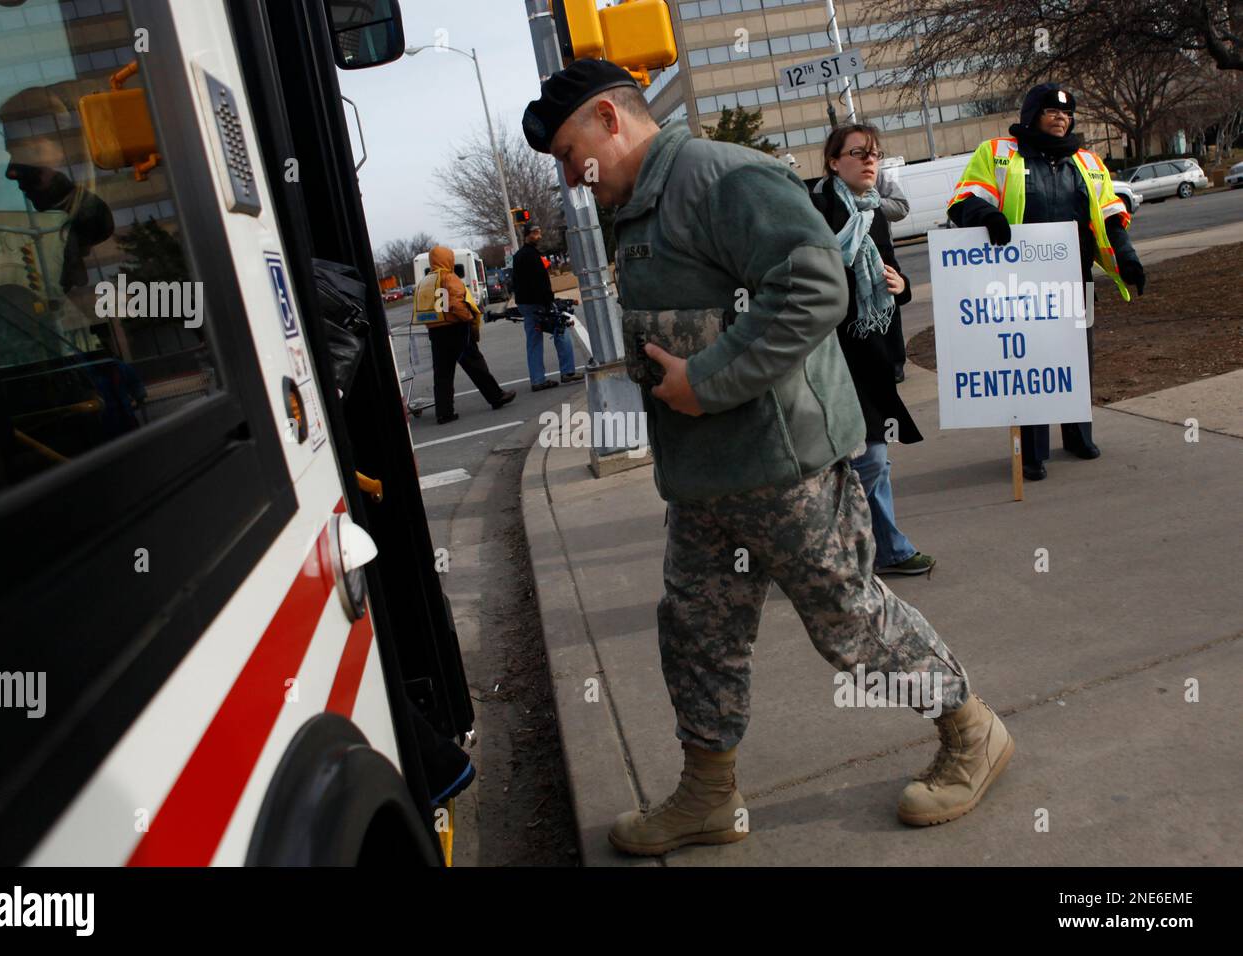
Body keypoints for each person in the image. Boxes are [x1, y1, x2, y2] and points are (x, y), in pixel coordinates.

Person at [523, 60, 1013, 857]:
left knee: (850, 623)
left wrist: (707, 379)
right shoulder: (635, 204)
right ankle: (709, 795)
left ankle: (971, 731)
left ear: (612, 120)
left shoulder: (723, 178)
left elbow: (817, 289)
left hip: (784, 468)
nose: (572, 177)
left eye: (573, 151)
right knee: (697, 633)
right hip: (704, 479)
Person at [947, 83, 1146, 480]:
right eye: (1053, 111)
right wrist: (986, 216)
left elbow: (1109, 212)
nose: (1062, 118)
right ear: (1032, 113)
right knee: (1031, 362)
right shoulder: (997, 154)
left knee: (1077, 357)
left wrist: (1126, 254)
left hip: (1075, 275)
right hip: (1020, 282)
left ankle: (1077, 435)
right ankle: (1032, 450)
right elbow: (964, 198)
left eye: (1068, 113)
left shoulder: (1087, 161)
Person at [809, 125, 935, 577]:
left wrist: (901, 288)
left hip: (876, 352)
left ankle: (868, 550)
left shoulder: (874, 211)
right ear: (833, 161)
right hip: (830, 356)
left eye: (875, 154)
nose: (869, 161)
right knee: (869, 457)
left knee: (866, 458)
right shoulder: (815, 210)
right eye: (858, 153)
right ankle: (886, 550)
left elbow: (893, 276)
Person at [413, 245, 515, 424]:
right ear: (447, 259)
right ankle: (496, 397)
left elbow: (438, 306)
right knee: (476, 365)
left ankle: (444, 412)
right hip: (456, 329)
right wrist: (468, 318)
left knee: (442, 373)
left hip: (436, 331)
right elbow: (456, 304)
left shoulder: (426, 281)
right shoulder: (449, 278)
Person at [511, 223, 581, 391]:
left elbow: (518, 282)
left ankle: (537, 380)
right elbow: (538, 282)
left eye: (539, 232)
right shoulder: (532, 256)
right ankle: (568, 372)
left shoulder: (519, 255)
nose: (539, 236)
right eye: (535, 233)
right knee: (561, 330)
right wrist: (549, 301)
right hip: (538, 303)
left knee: (533, 342)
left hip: (525, 303)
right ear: (527, 235)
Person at [876, 166, 910, 383]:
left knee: (890, 307)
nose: (866, 159)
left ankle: (896, 362)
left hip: (882, 253)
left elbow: (901, 207)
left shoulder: (878, 178)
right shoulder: (825, 188)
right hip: (847, 259)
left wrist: (872, 202)